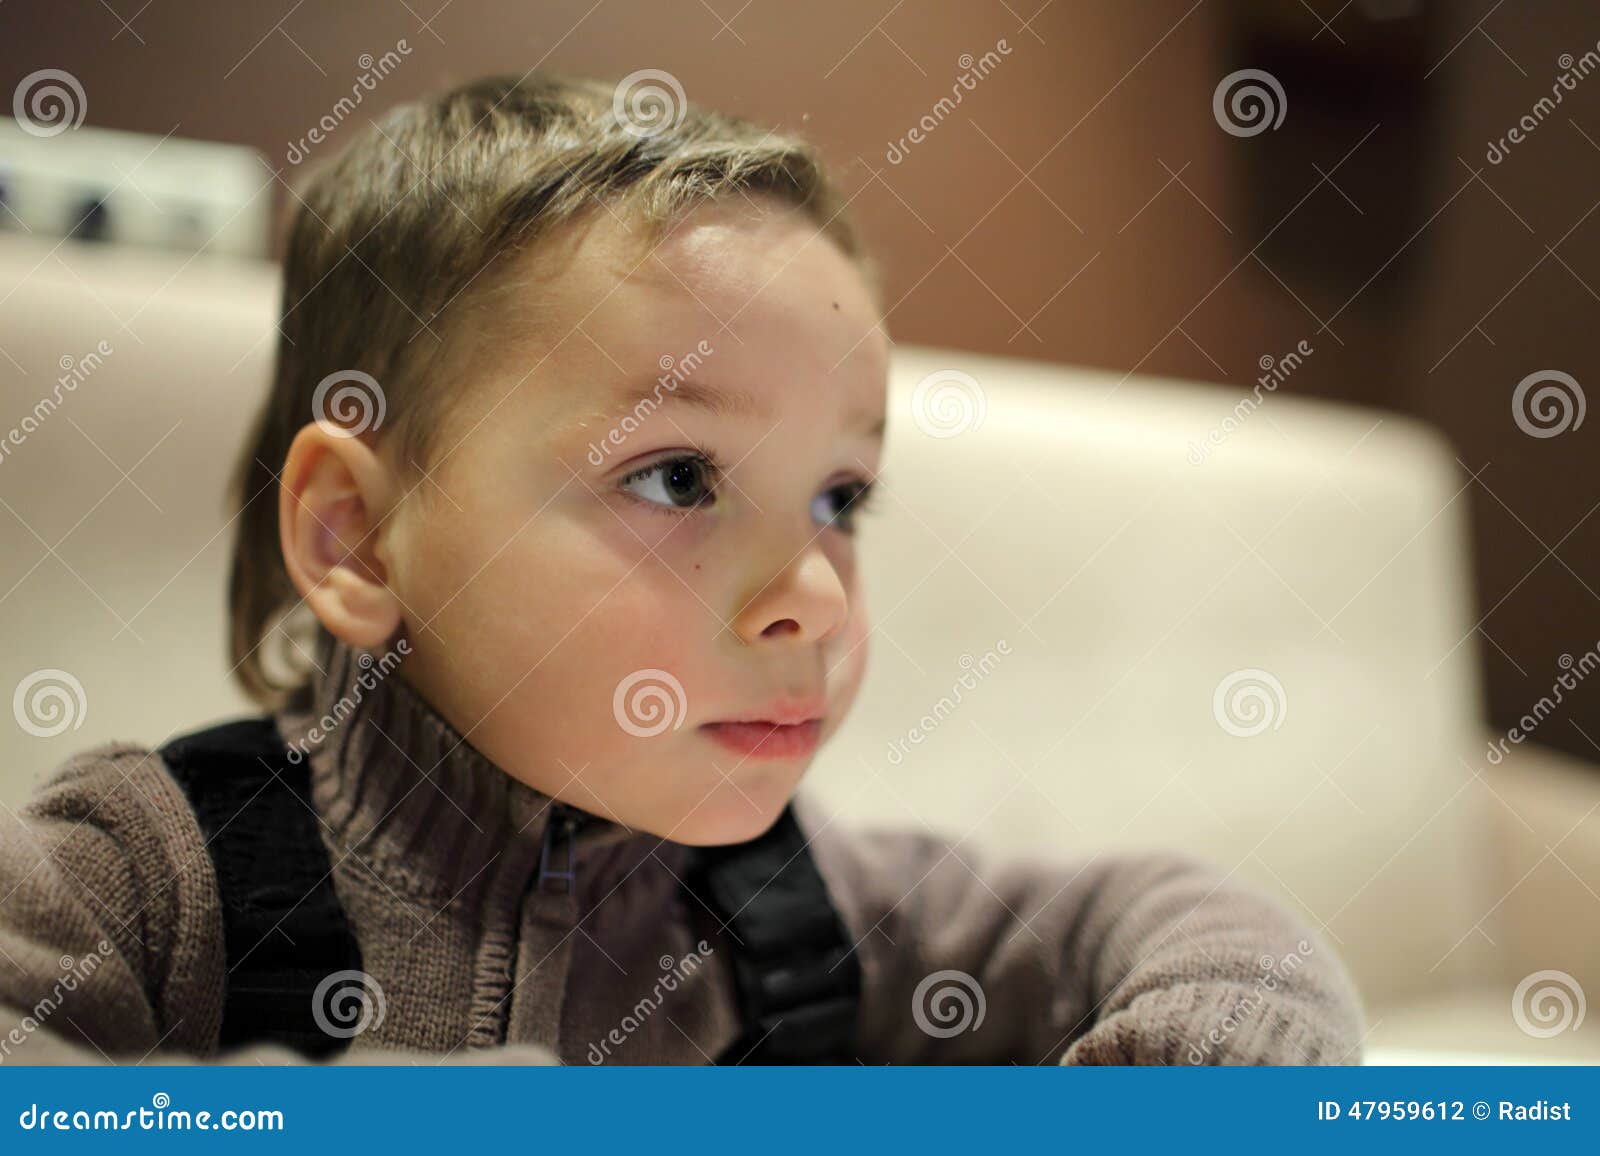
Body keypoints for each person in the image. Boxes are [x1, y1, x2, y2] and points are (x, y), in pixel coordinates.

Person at [0, 72, 1365, 1066]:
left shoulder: (816, 906)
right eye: (677, 479)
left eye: (843, 498)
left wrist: (1217, 1055)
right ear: (354, 538)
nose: (815, 601)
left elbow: (1176, 922)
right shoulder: (159, 877)